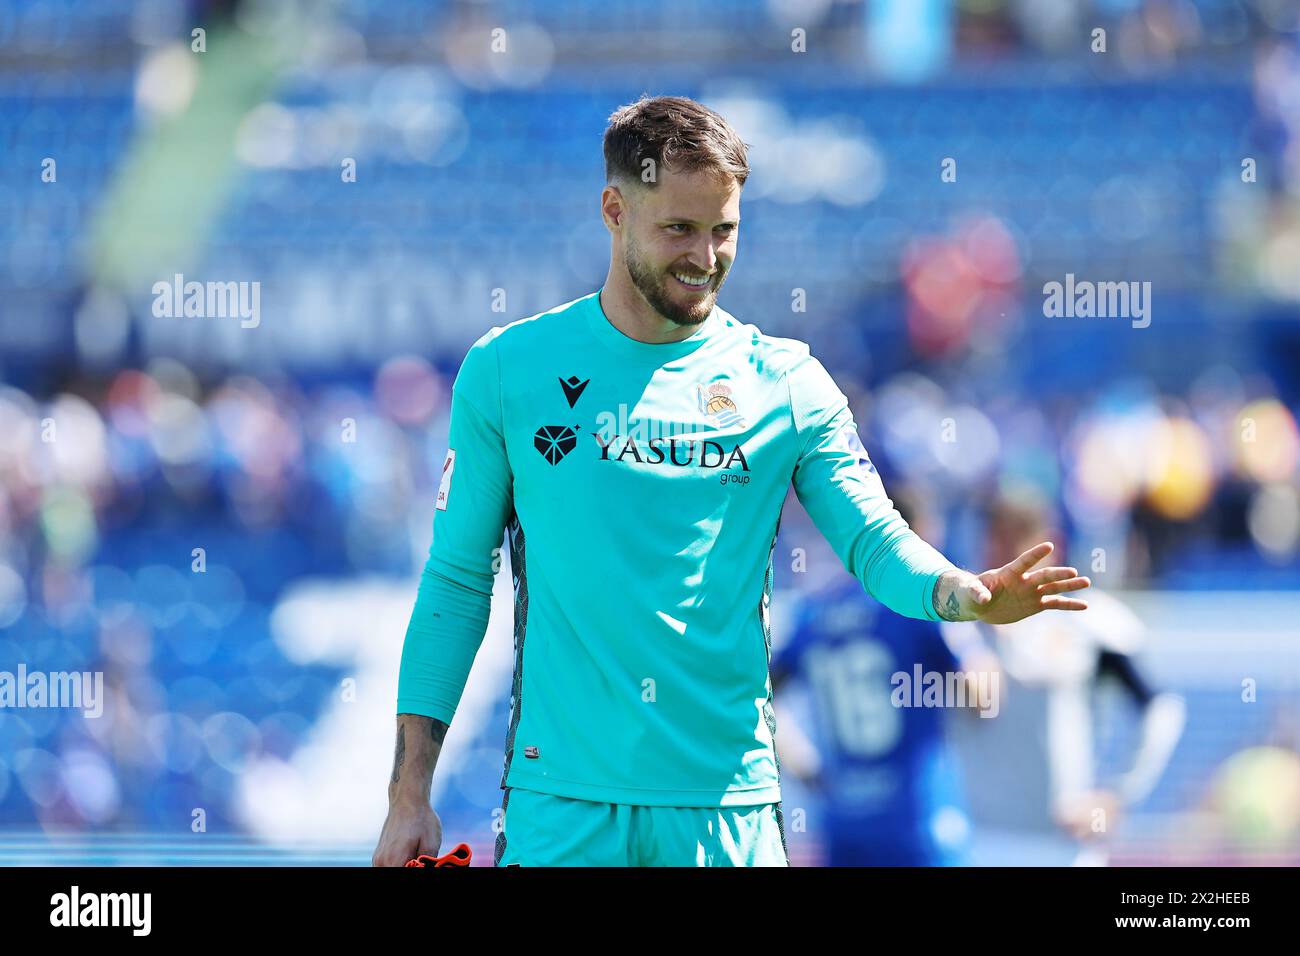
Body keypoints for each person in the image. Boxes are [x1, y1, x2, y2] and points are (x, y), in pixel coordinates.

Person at [372, 95, 1090, 867]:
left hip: (727, 811)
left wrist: (960, 594)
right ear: (614, 209)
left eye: (725, 230)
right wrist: (409, 794)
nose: (705, 256)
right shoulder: (508, 371)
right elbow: (454, 582)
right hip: (562, 810)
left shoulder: (787, 381)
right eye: (678, 228)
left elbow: (876, 539)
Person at [946, 491, 1185, 866]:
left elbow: (1161, 710)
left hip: (1063, 847)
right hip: (979, 841)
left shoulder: (1086, 620)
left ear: (1048, 547)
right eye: (996, 538)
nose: (1004, 554)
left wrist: (1114, 795)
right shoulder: (957, 627)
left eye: (1016, 540)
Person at [771, 488, 999, 866]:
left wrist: (807, 768)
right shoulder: (922, 609)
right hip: (920, 822)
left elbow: (761, 699)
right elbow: (984, 698)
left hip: (844, 823)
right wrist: (965, 622)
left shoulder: (814, 612)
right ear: (919, 540)